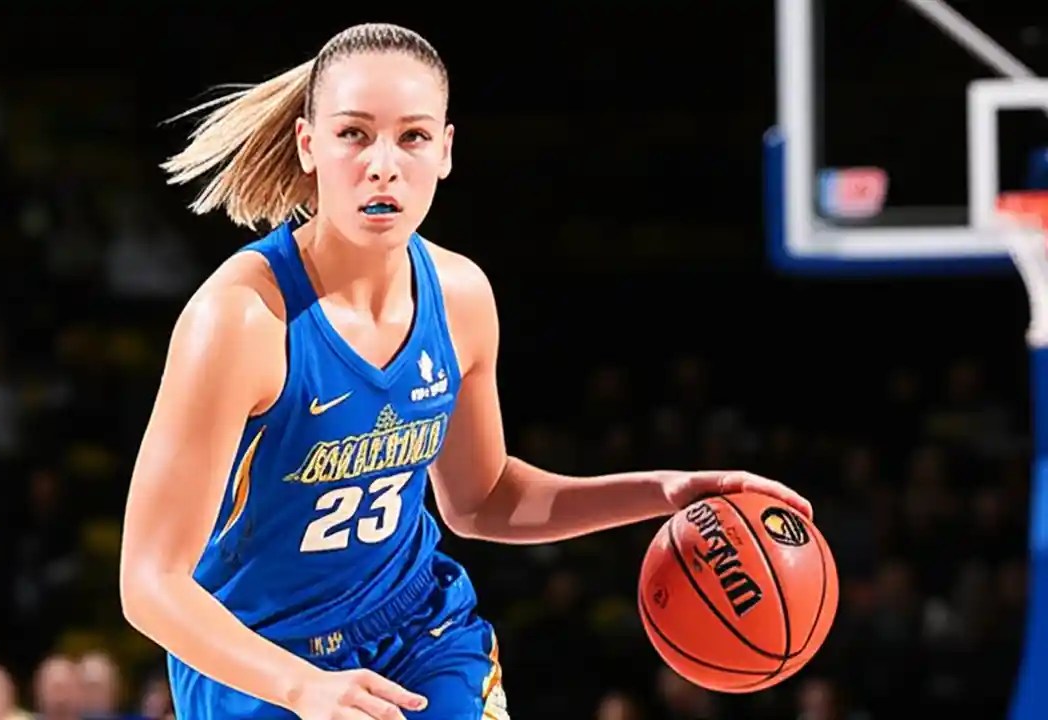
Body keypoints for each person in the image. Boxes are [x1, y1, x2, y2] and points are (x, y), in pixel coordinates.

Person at [118, 21, 813, 720]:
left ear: (445, 151)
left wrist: (662, 490)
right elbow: (150, 582)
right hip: (259, 659)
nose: (383, 165)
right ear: (309, 145)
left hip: (420, 632)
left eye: (412, 137)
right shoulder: (240, 321)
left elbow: (481, 501)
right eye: (354, 134)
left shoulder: (461, 297)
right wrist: (304, 687)